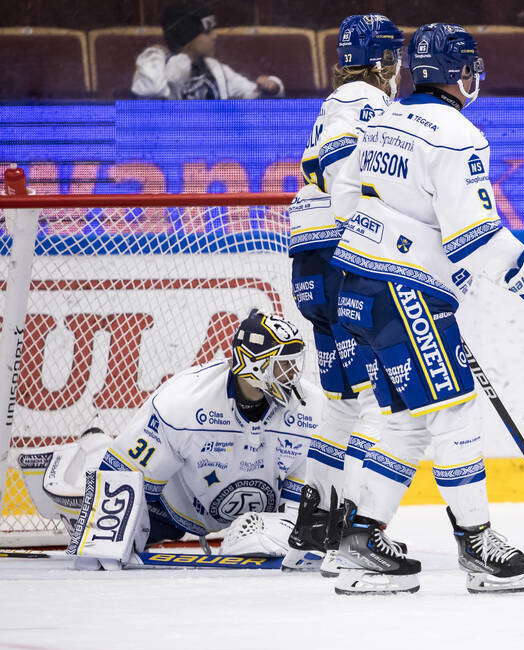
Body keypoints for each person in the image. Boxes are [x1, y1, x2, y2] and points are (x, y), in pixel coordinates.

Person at [325, 23, 524, 595]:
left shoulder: (382, 117)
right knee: (456, 411)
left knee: (408, 421)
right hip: (403, 288)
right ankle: (477, 542)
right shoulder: (458, 135)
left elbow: (341, 196)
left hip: (356, 281)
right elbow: (475, 237)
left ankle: (362, 540)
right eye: (472, 66)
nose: (476, 76)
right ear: (459, 72)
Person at [43, 310, 329, 570]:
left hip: (257, 518)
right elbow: (127, 472)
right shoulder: (183, 402)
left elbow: (302, 496)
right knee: (106, 551)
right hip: (172, 510)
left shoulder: (310, 407)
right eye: (282, 365)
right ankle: (91, 453)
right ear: (253, 364)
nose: (292, 375)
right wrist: (103, 537)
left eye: (293, 365)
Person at [283, 14, 404, 575]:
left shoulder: (334, 102)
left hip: (310, 262)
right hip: (343, 259)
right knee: (386, 404)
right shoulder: (368, 104)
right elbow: (348, 179)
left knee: (341, 404)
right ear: (383, 62)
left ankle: (312, 531)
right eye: (395, 60)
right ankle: (356, 536)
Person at [131, 2, 284, 100]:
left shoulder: (213, 67)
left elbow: (249, 92)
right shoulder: (157, 65)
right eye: (207, 32)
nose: (215, 36)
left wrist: (271, 87)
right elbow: (151, 90)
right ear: (188, 37)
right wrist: (154, 54)